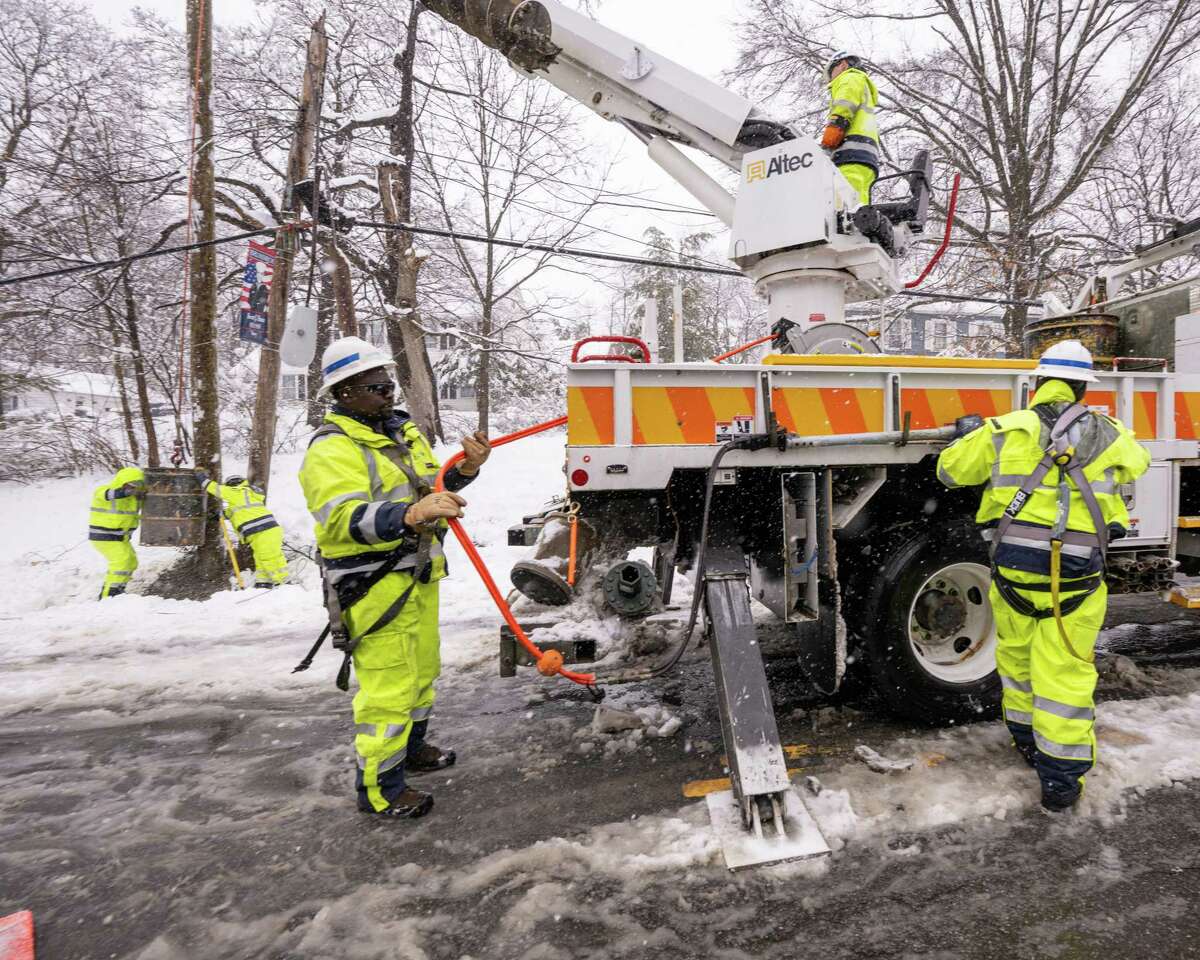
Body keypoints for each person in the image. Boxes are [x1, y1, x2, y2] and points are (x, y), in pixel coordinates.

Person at [936, 340, 1150, 812]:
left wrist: (968, 435)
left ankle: (1027, 743)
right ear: (1082, 388)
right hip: (1076, 580)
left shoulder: (1005, 430)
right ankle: (1060, 781)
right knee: (1065, 673)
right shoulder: (1110, 434)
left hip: (1014, 574)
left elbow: (949, 472)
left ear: (1035, 384)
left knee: (1016, 660)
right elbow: (1140, 462)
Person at [298, 336, 492, 819]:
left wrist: (466, 469)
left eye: (390, 385)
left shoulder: (400, 434)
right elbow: (341, 517)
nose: (389, 394)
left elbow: (432, 490)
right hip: (373, 583)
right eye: (378, 386)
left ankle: (412, 750)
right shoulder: (333, 449)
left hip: (416, 574)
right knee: (389, 688)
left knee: (422, 672)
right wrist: (407, 516)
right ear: (345, 393)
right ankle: (380, 788)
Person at [197, 473, 289, 587]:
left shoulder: (236, 491)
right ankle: (263, 581)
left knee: (268, 557)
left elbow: (214, 488)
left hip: (263, 529)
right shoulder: (245, 495)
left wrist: (202, 478)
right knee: (262, 556)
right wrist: (220, 515)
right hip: (264, 530)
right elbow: (235, 512)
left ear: (231, 485)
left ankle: (282, 582)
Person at [819, 51, 881, 205]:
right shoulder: (863, 85)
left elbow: (844, 106)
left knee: (843, 208)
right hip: (865, 158)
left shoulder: (850, 77)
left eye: (831, 73)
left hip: (850, 155)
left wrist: (829, 138)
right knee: (859, 208)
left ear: (843, 64)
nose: (830, 79)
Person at [88, 466, 146, 599]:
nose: (135, 488)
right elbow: (108, 494)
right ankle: (108, 595)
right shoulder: (103, 491)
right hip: (103, 535)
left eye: (138, 484)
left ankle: (118, 588)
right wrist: (124, 492)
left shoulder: (134, 499)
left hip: (121, 537)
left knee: (131, 561)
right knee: (121, 560)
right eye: (132, 485)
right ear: (122, 482)